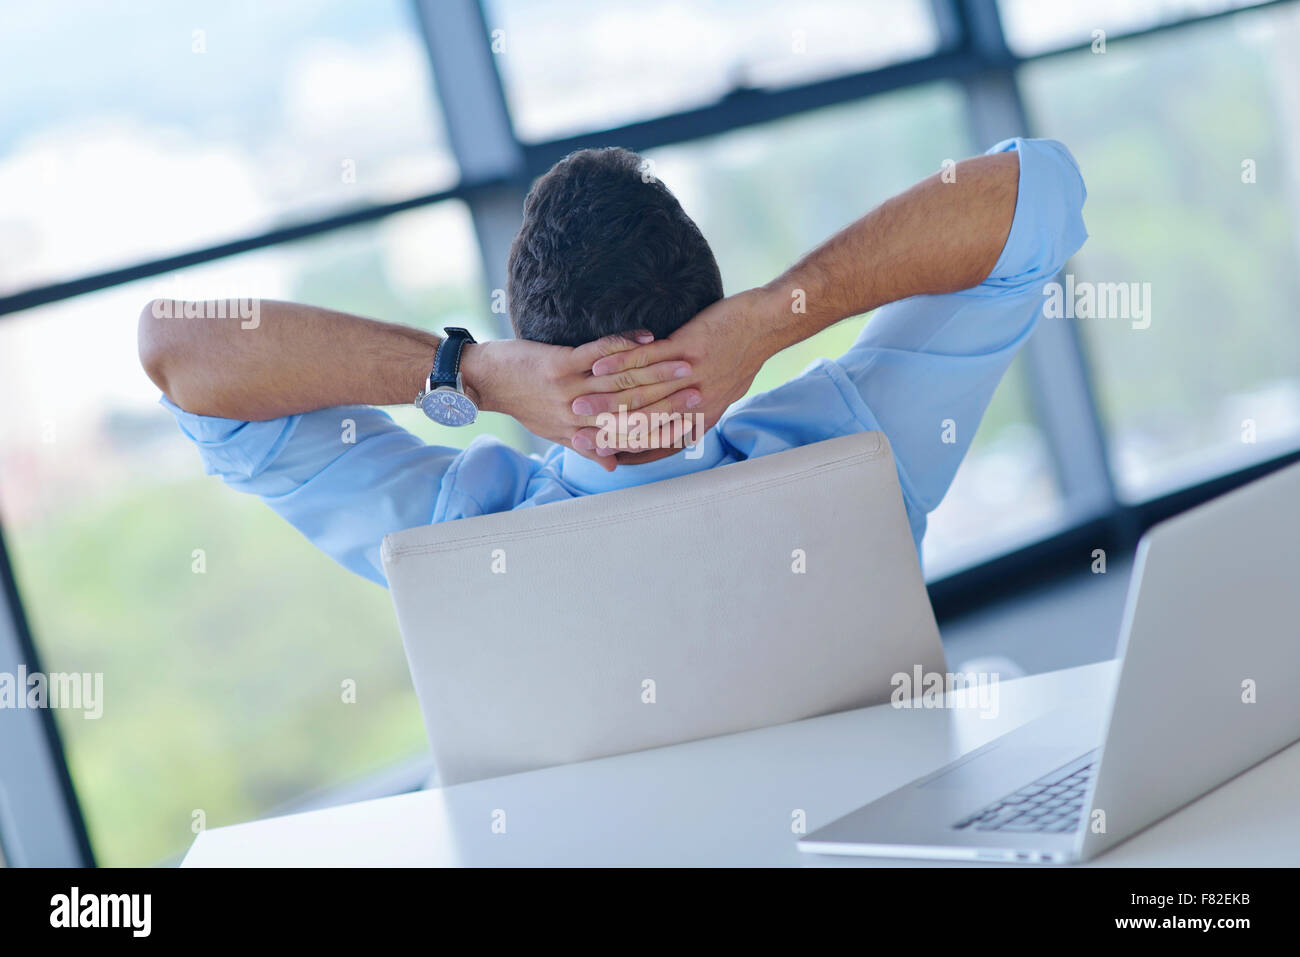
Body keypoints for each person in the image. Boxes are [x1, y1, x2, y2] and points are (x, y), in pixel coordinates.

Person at [138, 138, 1087, 587]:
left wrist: (462, 371)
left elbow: (177, 350)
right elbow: (1036, 188)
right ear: (707, 315)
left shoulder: (456, 532)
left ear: (532, 357)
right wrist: (768, 319)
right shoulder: (856, 443)